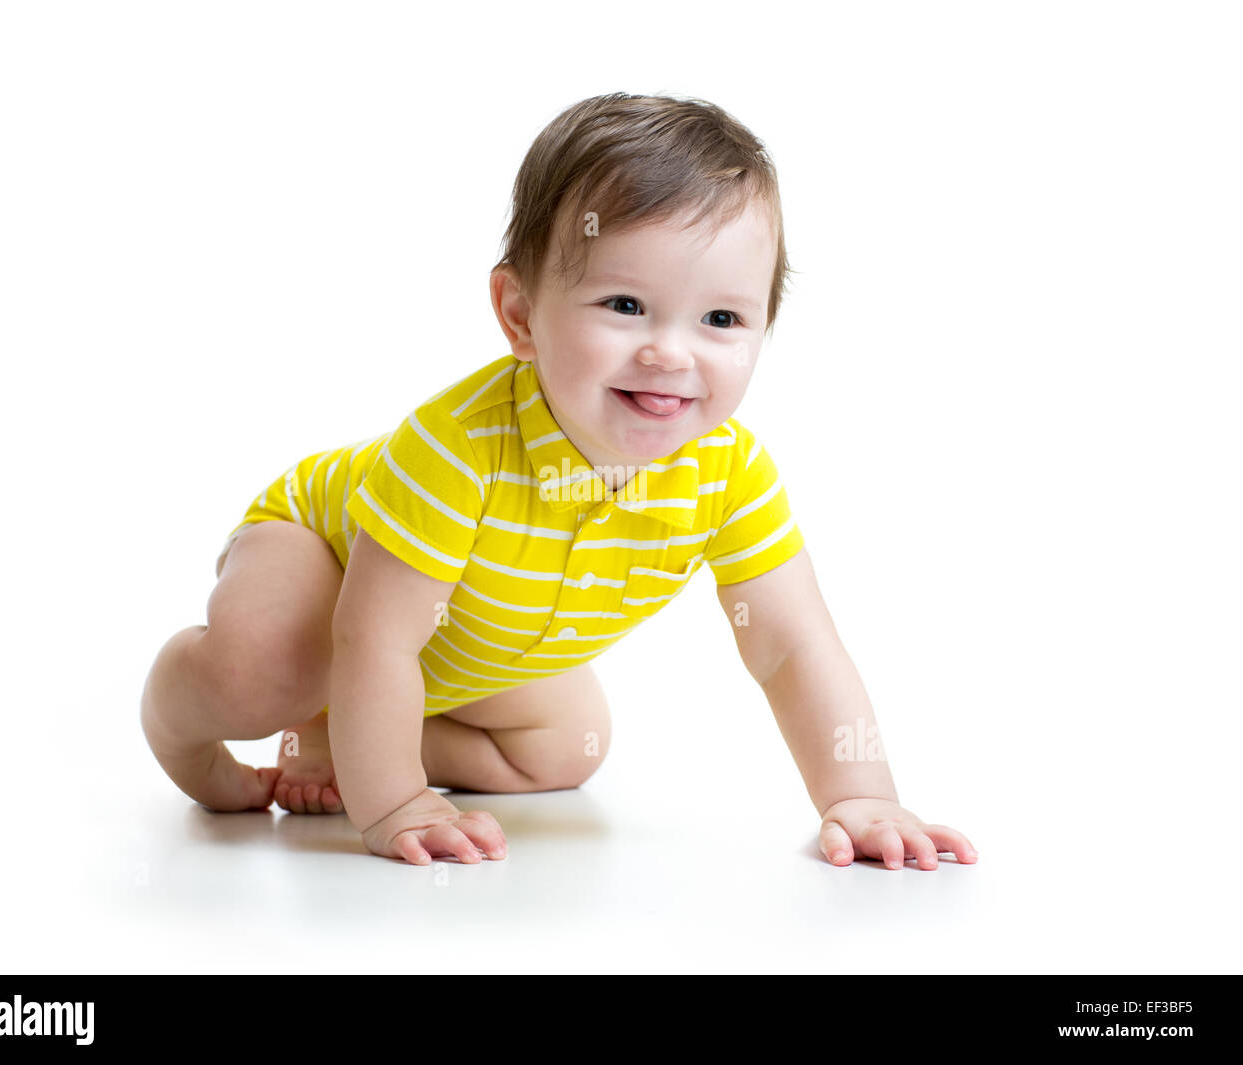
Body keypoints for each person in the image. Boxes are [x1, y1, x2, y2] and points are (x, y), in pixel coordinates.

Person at [140, 91, 978, 871]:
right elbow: (377, 638)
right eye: (624, 305)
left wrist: (863, 794)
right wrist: (393, 798)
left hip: (461, 641)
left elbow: (794, 645)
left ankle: (332, 730)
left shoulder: (732, 473)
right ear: (519, 316)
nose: (670, 352)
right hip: (329, 558)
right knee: (267, 667)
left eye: (721, 318)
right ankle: (181, 717)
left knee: (569, 744)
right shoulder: (455, 450)